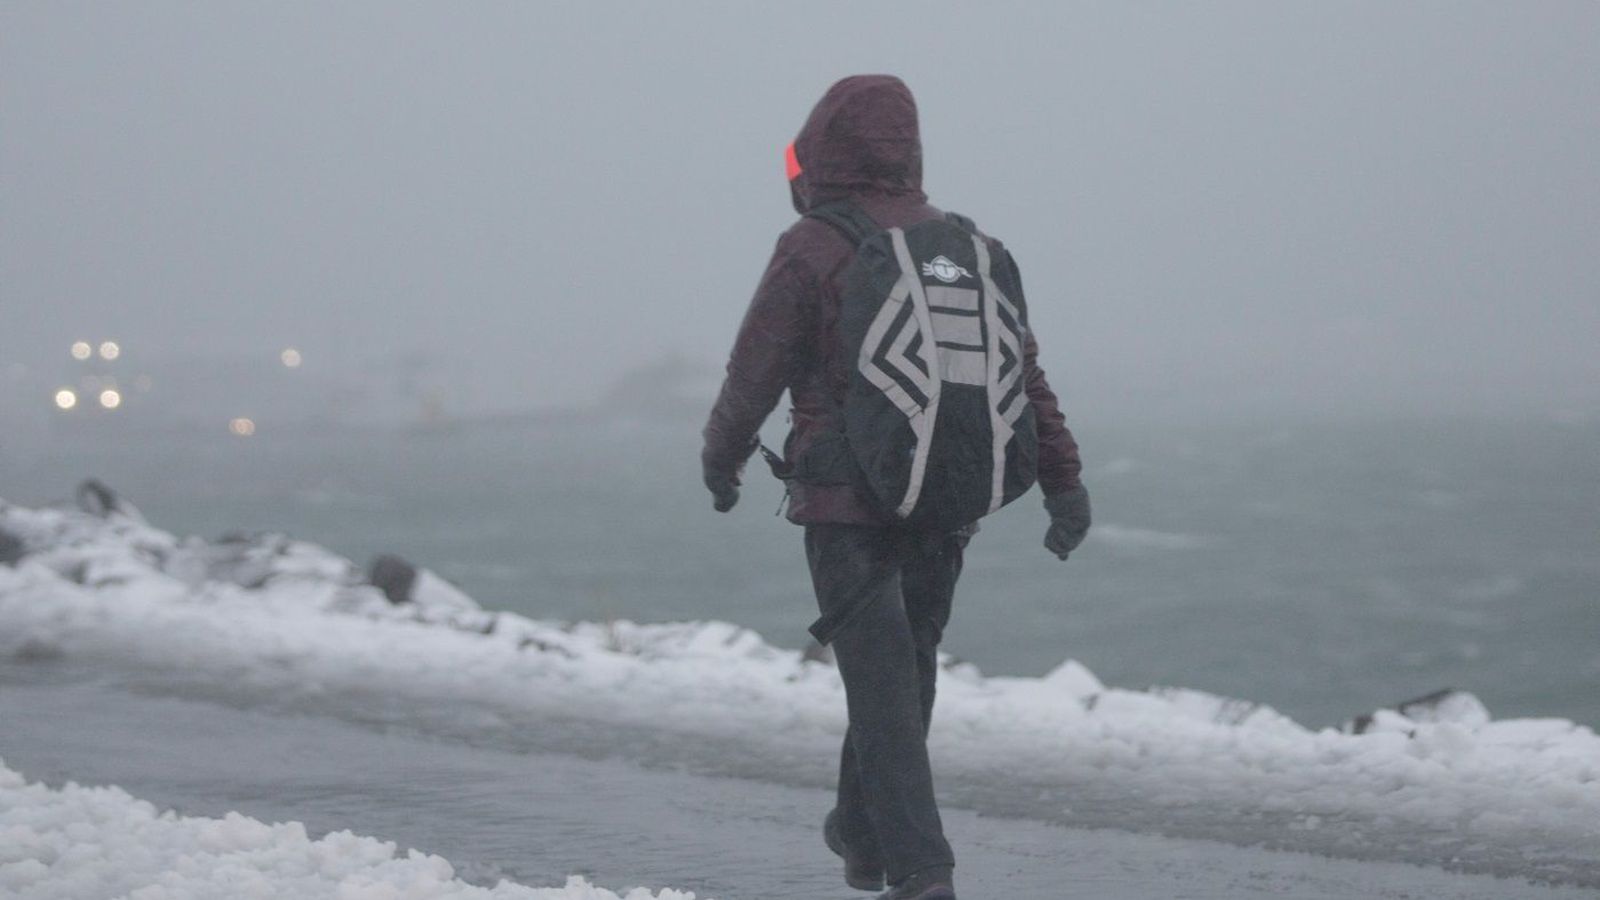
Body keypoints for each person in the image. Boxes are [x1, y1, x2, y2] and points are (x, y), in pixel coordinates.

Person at [701, 74, 1090, 900]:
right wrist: (1064, 484)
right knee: (900, 675)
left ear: (816, 155)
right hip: (944, 494)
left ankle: (923, 870)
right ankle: (863, 836)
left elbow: (754, 369)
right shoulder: (967, 246)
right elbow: (1025, 374)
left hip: (846, 503)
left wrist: (721, 457)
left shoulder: (812, 246)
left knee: (883, 682)